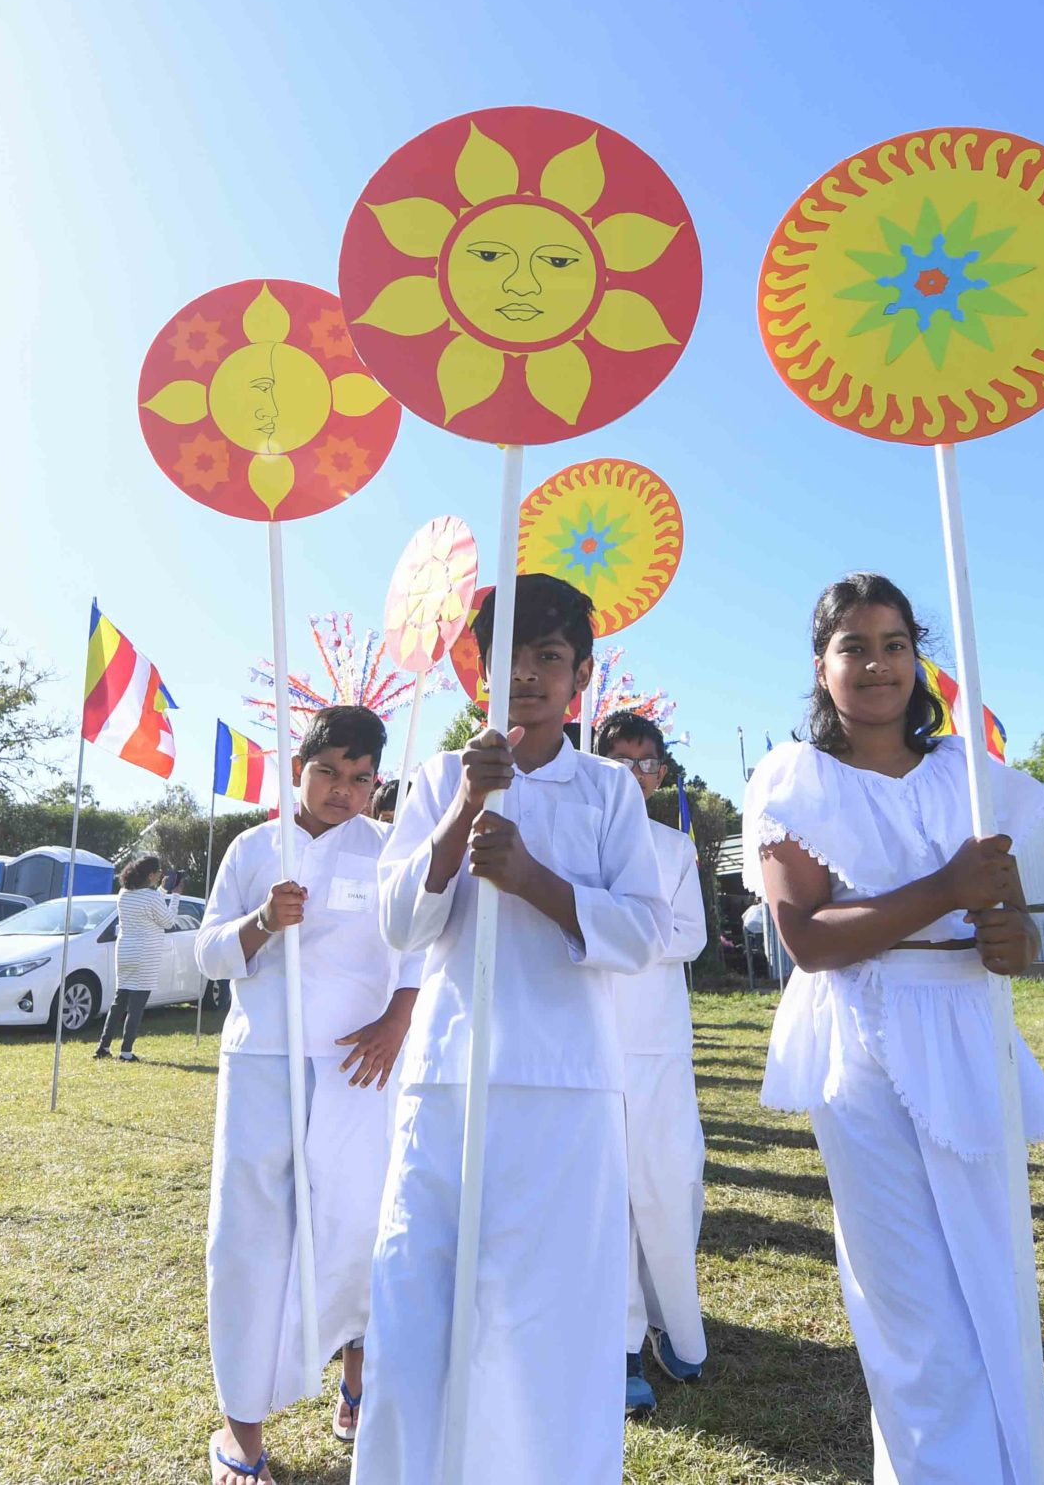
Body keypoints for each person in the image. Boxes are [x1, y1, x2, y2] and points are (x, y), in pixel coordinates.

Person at [747, 572, 1044, 1485]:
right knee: (910, 1300)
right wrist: (944, 891)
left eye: (894, 643)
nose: (878, 663)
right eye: (854, 645)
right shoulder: (793, 781)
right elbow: (806, 937)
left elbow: (1012, 925)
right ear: (822, 667)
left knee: (995, 1284)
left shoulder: (969, 779)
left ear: (916, 658)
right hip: (865, 1041)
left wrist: (1012, 936)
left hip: (973, 1035)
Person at [356, 575, 671, 1485]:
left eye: (547, 657)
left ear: (580, 676)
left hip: (565, 1085)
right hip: (446, 1081)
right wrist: (460, 813)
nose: (526, 675)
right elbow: (401, 925)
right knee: (418, 1310)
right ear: (476, 671)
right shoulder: (430, 777)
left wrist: (537, 879)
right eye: (507, 658)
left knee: (548, 1324)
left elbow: (644, 932)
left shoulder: (609, 789)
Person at [196, 706, 418, 1484]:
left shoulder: (392, 850)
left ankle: (358, 1378)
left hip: (361, 1073)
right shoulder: (254, 848)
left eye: (362, 778)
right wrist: (260, 922)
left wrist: (400, 1015)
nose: (343, 790)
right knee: (249, 1239)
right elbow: (208, 951)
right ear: (300, 764)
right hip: (263, 1062)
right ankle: (242, 1431)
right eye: (329, 771)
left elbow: (421, 945)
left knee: (359, 1227)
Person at [591, 707, 711, 1412]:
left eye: (647, 763)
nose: (635, 776)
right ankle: (619, 1339)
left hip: (659, 1040)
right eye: (620, 762)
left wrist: (622, 929)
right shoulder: (579, 839)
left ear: (661, 772)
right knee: (608, 1188)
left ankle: (676, 1323)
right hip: (594, 1036)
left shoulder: (675, 848)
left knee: (668, 1181)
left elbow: (688, 935)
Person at [96, 856, 176, 1061]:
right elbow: (167, 922)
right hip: (145, 953)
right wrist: (175, 897)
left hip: (124, 951)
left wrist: (163, 891)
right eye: (158, 872)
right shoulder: (152, 897)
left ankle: (103, 1047)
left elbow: (147, 904)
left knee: (119, 1000)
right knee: (137, 1005)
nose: (160, 876)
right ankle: (126, 1051)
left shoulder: (124, 894)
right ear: (151, 875)